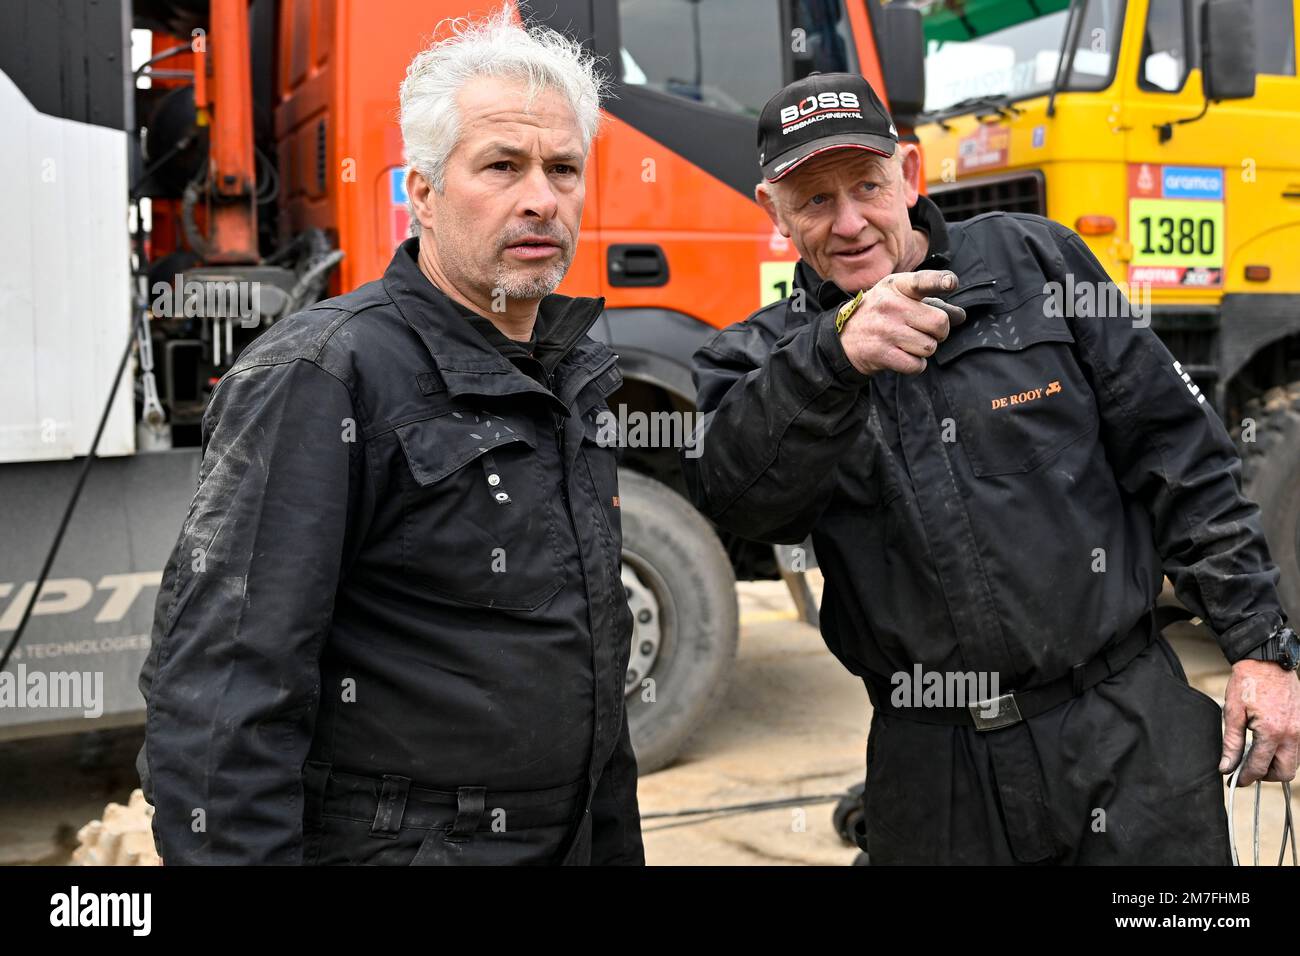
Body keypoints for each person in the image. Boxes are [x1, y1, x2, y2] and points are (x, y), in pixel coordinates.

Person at [683, 71, 1300, 864]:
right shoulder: (758, 359)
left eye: (866, 186)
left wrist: (1260, 649)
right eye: (813, 202)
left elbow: (1184, 457)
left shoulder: (1037, 263)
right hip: (933, 772)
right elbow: (743, 503)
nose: (848, 223)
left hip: (1123, 737)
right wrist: (834, 359)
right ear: (774, 214)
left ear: (908, 175)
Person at [138, 8, 643, 866]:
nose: (541, 198)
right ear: (424, 190)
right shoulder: (322, 376)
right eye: (502, 165)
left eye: (563, 169)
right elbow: (222, 702)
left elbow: (591, 681)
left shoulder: (570, 371)